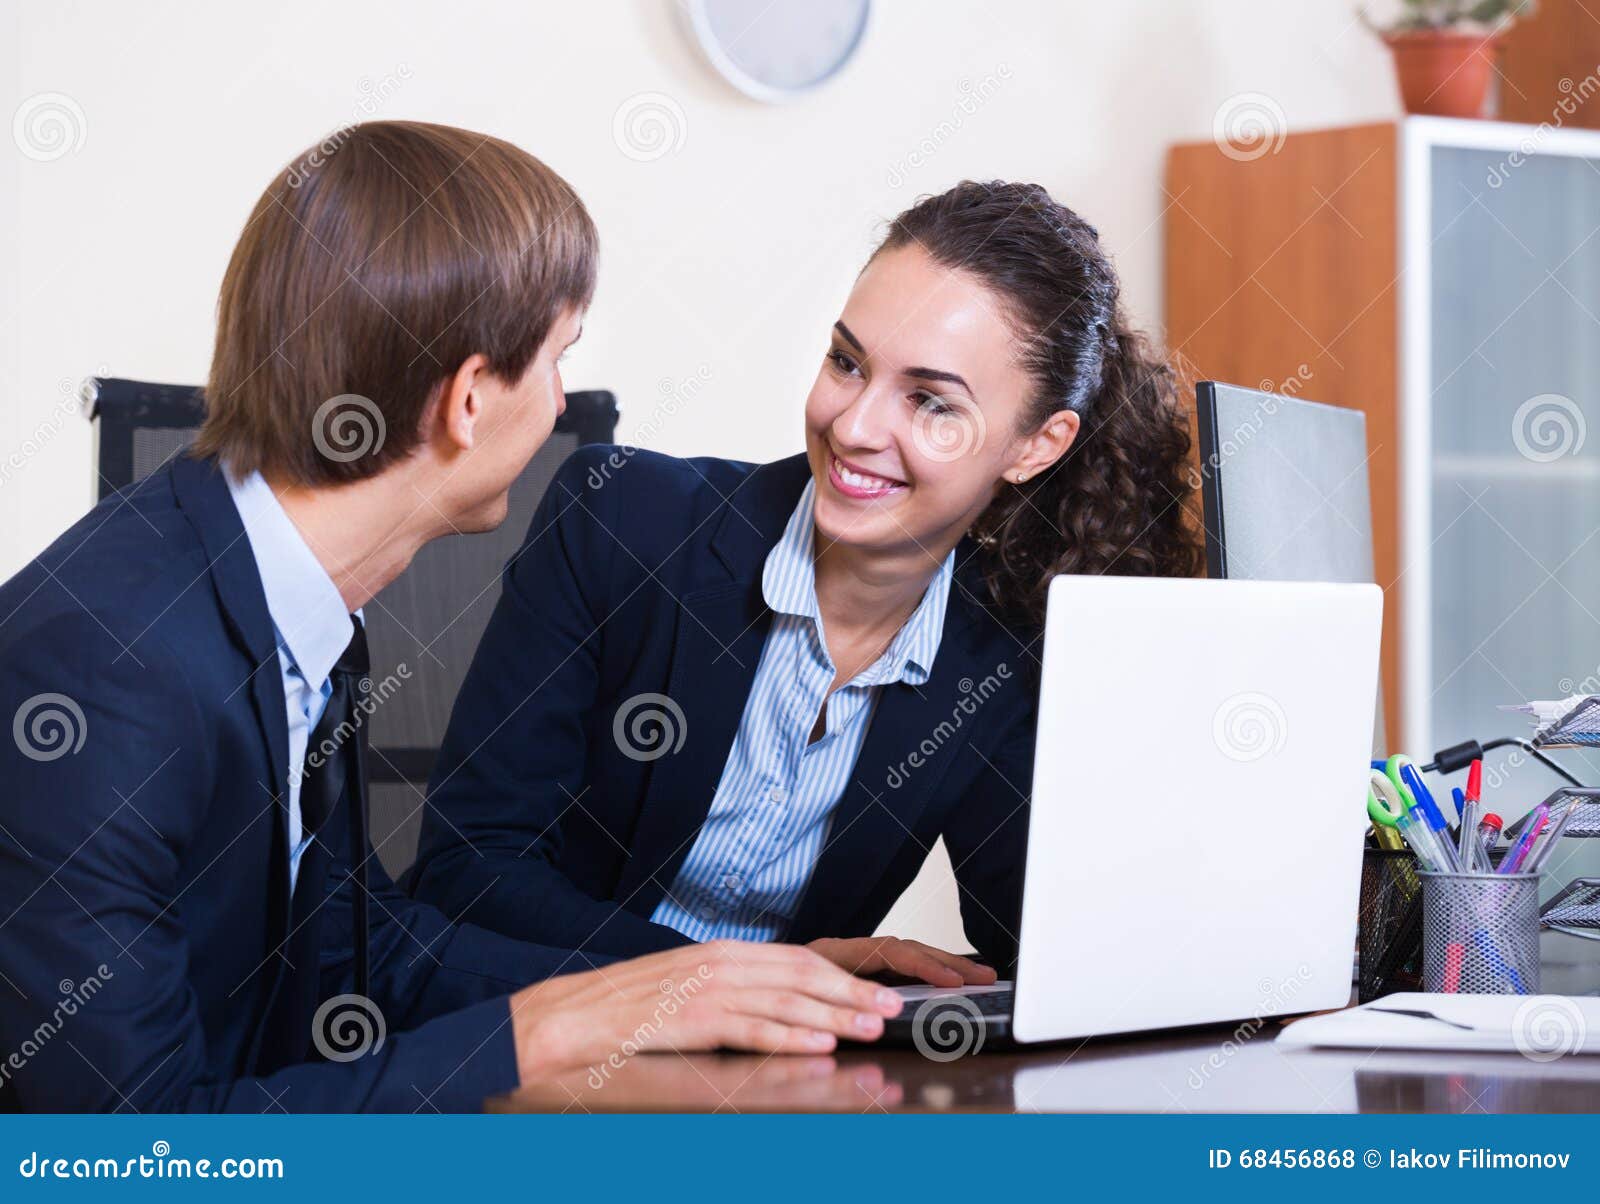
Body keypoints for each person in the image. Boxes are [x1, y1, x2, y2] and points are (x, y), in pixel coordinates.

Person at [0, 121, 904, 1114]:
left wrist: (702, 983)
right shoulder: (102, 670)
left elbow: (358, 946)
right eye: (557, 359)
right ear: (470, 398)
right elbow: (125, 1157)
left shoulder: (284, 599)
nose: (560, 401)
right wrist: (536, 1036)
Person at [408, 180, 1201, 981]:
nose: (853, 427)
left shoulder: (1000, 650)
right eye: (847, 363)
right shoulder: (620, 520)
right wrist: (749, 980)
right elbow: (468, 872)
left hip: (783, 1053)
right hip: (543, 1029)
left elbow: (1048, 945)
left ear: (1037, 446)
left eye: (930, 402)